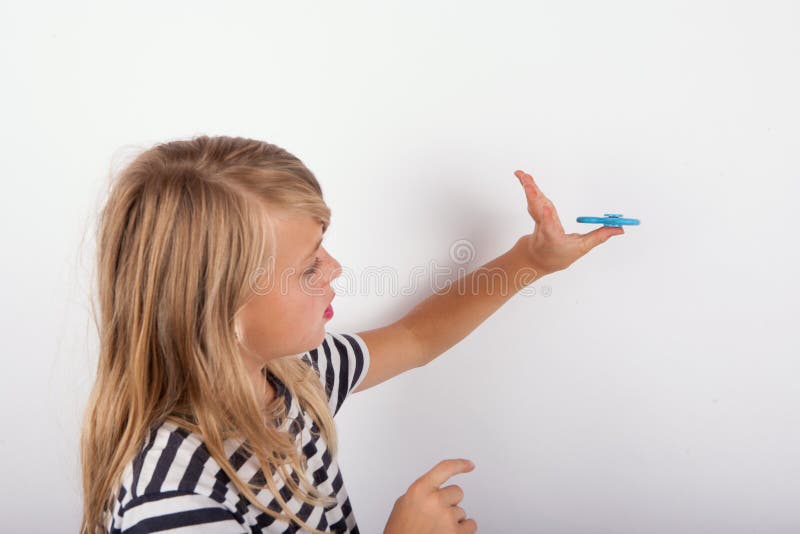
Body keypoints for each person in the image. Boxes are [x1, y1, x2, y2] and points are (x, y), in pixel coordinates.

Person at [80, 135, 623, 533]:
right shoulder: (173, 498)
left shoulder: (294, 377)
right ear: (219, 308)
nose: (336, 269)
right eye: (308, 266)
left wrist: (534, 259)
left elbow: (416, 337)